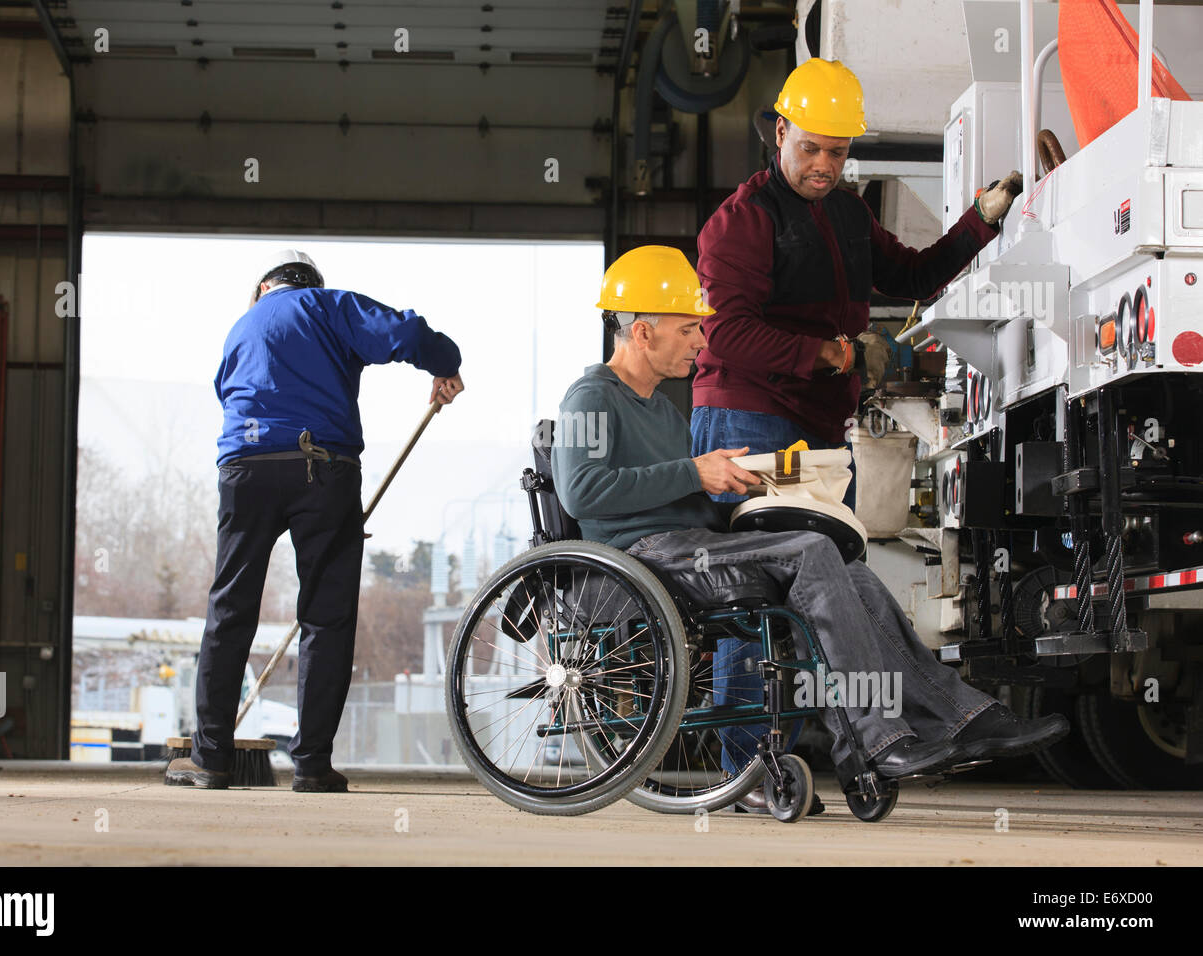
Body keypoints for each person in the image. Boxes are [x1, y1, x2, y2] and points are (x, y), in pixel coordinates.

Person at [550, 246, 1067, 809]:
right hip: (640, 561)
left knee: (849, 571)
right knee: (811, 552)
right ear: (643, 333)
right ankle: (878, 737)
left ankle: (959, 719)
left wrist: (747, 488)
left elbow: (675, 491)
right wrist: (694, 471)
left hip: (689, 549)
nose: (702, 341)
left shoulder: (660, 408)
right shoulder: (593, 397)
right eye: (689, 329)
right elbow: (584, 492)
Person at [165, 250, 463, 791]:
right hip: (323, 470)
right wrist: (447, 361)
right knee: (326, 617)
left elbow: (225, 393)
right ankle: (312, 764)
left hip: (245, 470)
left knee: (230, 609)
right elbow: (408, 333)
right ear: (310, 283)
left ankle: (210, 760)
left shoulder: (240, 327)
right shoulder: (330, 307)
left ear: (263, 287)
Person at [691, 57, 1023, 508]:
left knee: (831, 560)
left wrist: (980, 220)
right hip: (750, 415)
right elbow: (727, 334)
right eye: (810, 149)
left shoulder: (847, 212)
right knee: (764, 564)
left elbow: (915, 276)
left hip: (822, 420)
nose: (824, 166)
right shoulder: (743, 220)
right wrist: (835, 353)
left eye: (838, 151)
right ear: (781, 133)